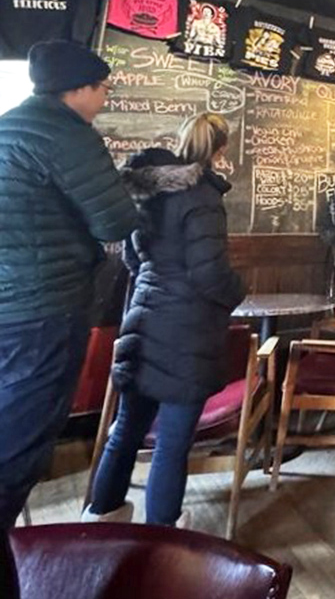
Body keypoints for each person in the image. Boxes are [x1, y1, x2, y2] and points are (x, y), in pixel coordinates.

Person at [0, 40, 137, 529]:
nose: (104, 99)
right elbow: (116, 221)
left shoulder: (10, 124)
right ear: (76, 88)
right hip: (45, 305)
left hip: (12, 304)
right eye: (102, 88)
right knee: (18, 448)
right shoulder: (64, 132)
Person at [84, 112, 245, 527]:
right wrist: (237, 292)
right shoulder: (204, 198)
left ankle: (98, 521)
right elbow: (209, 273)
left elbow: (134, 259)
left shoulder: (149, 191)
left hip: (142, 319)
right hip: (187, 334)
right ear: (221, 150)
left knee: (125, 431)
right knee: (172, 444)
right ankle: (162, 540)